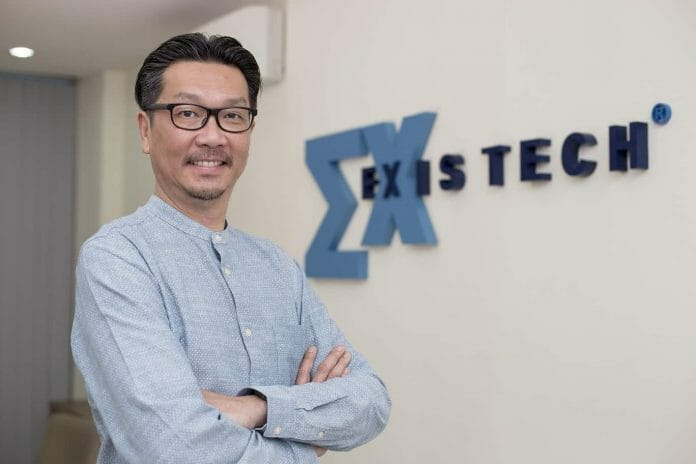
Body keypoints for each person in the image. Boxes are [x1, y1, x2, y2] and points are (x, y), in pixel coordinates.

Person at [71, 33, 390, 464]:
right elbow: (172, 446)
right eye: (187, 113)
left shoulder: (277, 266)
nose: (213, 136)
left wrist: (258, 407)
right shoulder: (117, 258)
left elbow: (370, 400)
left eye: (233, 116)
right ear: (145, 130)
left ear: (249, 130)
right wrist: (306, 443)